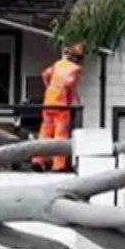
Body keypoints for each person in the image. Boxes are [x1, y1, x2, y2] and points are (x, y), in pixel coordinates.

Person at [32, 43, 85, 171]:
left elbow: (45, 74)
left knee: (45, 131)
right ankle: (58, 165)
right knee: (60, 133)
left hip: (49, 99)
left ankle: (38, 160)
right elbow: (69, 84)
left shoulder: (58, 64)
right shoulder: (75, 69)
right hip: (61, 102)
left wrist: (50, 87)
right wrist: (75, 100)